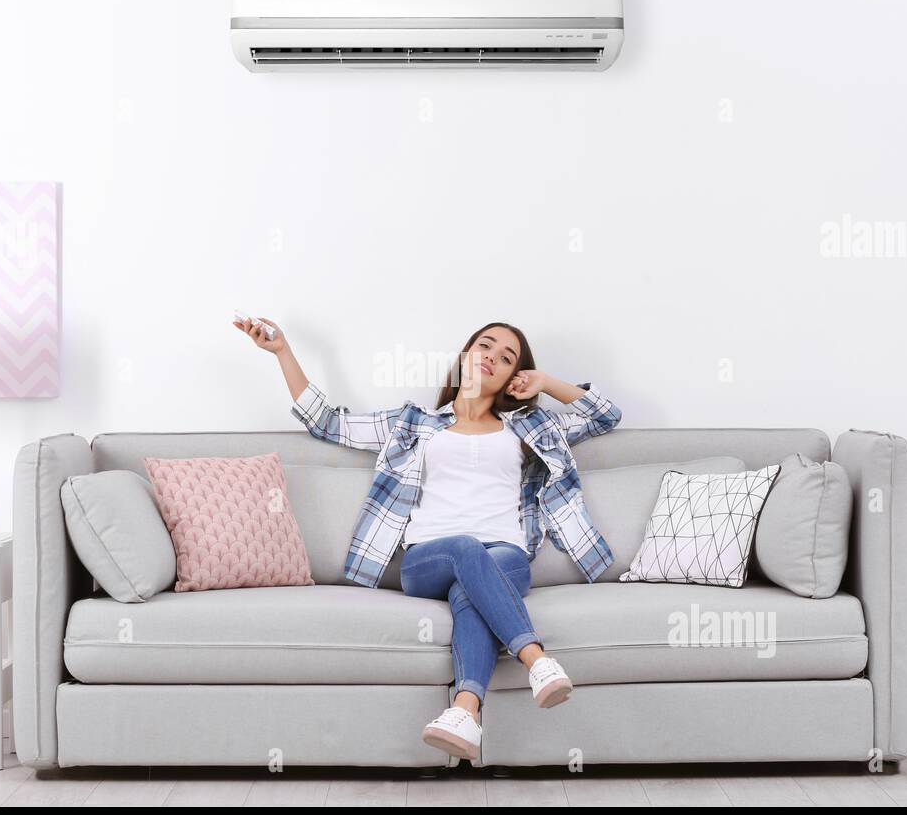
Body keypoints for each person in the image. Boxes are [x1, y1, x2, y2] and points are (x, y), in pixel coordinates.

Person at [236, 316, 622, 761]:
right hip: (427, 560)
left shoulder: (530, 428)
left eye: (506, 358)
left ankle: (464, 711)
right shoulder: (412, 423)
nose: (491, 359)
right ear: (464, 356)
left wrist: (546, 382)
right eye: (485, 346)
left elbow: (606, 415)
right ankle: (536, 659)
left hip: (507, 556)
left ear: (514, 375)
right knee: (464, 548)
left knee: (469, 591)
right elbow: (325, 422)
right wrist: (283, 351)